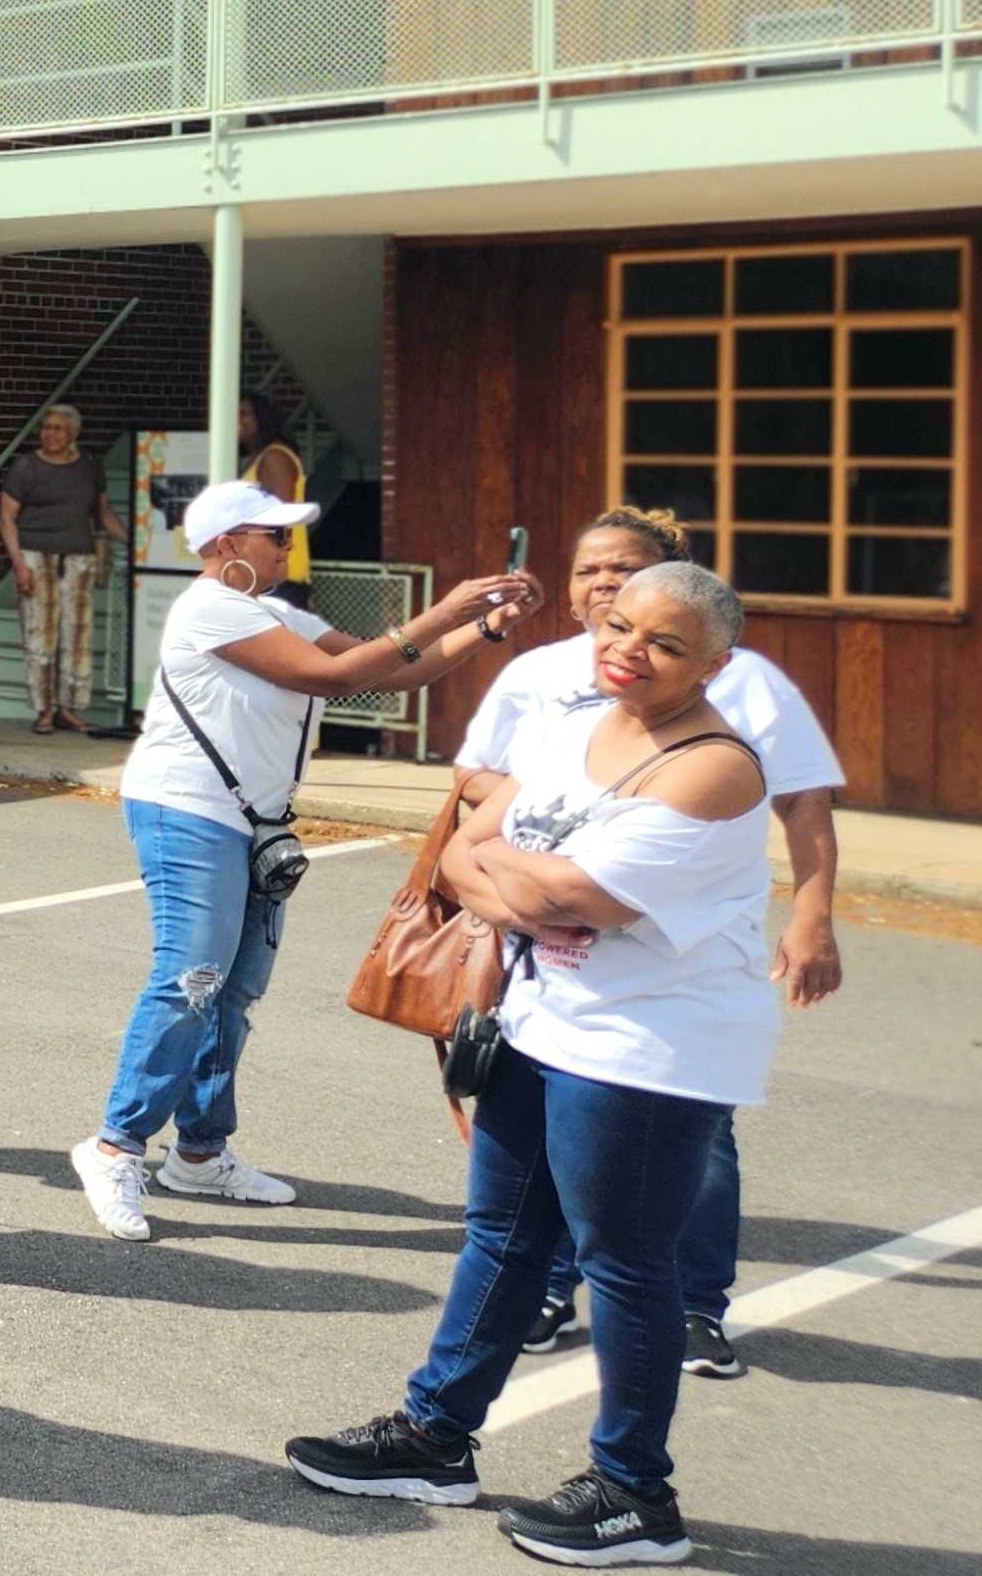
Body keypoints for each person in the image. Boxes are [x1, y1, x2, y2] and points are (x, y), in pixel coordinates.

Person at [285, 561, 778, 1568]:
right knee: (502, 1238)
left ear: (713, 664)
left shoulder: (713, 764)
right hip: (540, 1022)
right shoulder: (572, 725)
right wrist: (521, 882)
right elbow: (462, 855)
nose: (629, 647)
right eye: (620, 621)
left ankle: (634, 1491)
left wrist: (515, 879)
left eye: (665, 642)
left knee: (625, 1265)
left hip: (646, 1051)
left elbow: (574, 894)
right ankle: (434, 1435)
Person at [70, 478, 532, 1245]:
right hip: (187, 808)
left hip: (252, 822)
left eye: (286, 534)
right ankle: (116, 1145)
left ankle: (199, 1152)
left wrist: (481, 630)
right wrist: (444, 610)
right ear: (224, 545)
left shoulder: (277, 614)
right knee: (192, 980)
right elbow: (334, 678)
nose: (286, 545)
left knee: (234, 990)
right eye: (272, 534)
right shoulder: (210, 607)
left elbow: (395, 672)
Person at [455, 507, 844, 1381]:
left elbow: (800, 800)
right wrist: (519, 885)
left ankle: (698, 1307)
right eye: (594, 574)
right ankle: (519, 1330)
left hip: (657, 1015)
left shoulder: (742, 690)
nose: (604, 591)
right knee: (521, 1221)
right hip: (540, 994)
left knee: (673, 1181)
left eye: (623, 570)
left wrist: (812, 909)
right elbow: (472, 808)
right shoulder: (547, 680)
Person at [0, 403, 125, 734]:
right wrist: (19, 565)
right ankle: (43, 710)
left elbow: (103, 513)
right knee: (40, 634)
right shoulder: (26, 467)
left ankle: (68, 708)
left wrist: (136, 543)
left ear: (73, 434)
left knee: (77, 634)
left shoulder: (89, 467)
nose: (49, 433)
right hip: (36, 557)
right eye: (46, 427)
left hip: (79, 558)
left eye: (58, 428)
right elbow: (7, 518)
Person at [238, 395, 316, 607]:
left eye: (244, 413)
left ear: (262, 418)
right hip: (262, 573)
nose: (237, 420)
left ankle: (403, 642)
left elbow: (279, 516)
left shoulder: (275, 457)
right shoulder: (258, 458)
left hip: (278, 575)